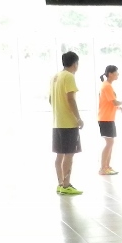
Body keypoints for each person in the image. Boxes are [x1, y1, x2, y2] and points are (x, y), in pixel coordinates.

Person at [51, 51, 84, 195]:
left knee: (60, 155)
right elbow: (71, 99)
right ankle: (66, 184)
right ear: (75, 64)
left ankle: (60, 184)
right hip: (68, 123)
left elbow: (50, 100)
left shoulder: (55, 77)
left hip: (57, 122)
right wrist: (78, 118)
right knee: (69, 155)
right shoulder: (69, 77)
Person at [97, 65, 122, 175]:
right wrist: (121, 102)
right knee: (109, 142)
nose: (117, 75)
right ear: (110, 74)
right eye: (116, 73)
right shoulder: (106, 86)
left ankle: (107, 166)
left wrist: (119, 108)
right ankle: (103, 168)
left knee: (110, 142)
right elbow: (114, 102)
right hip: (105, 119)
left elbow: (109, 103)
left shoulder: (107, 86)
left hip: (108, 118)